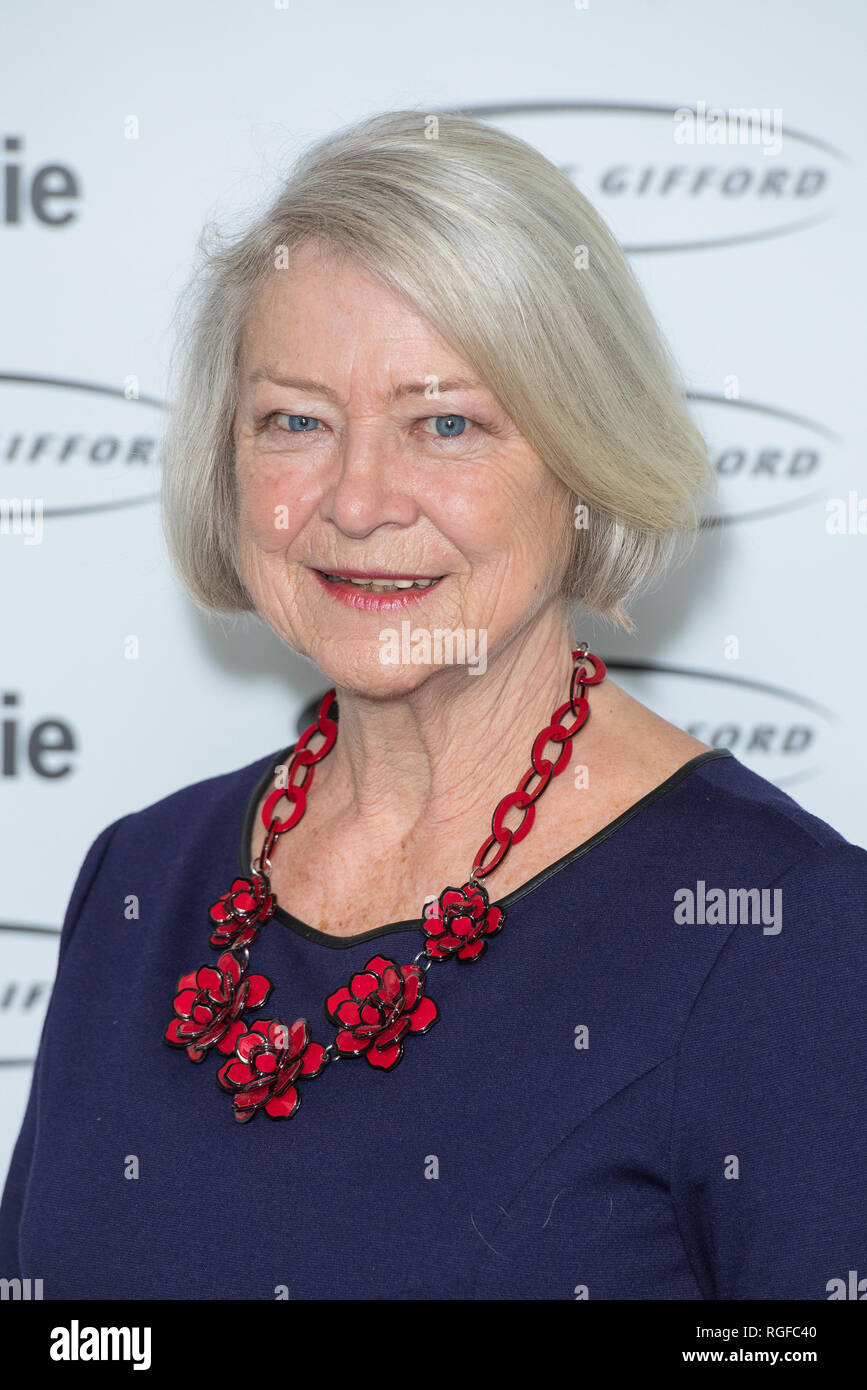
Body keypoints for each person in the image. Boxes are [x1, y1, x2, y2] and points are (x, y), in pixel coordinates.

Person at [1, 108, 865, 1301]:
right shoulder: (140, 878)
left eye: (445, 423)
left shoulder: (782, 930)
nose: (357, 499)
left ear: (582, 460)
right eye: (295, 420)